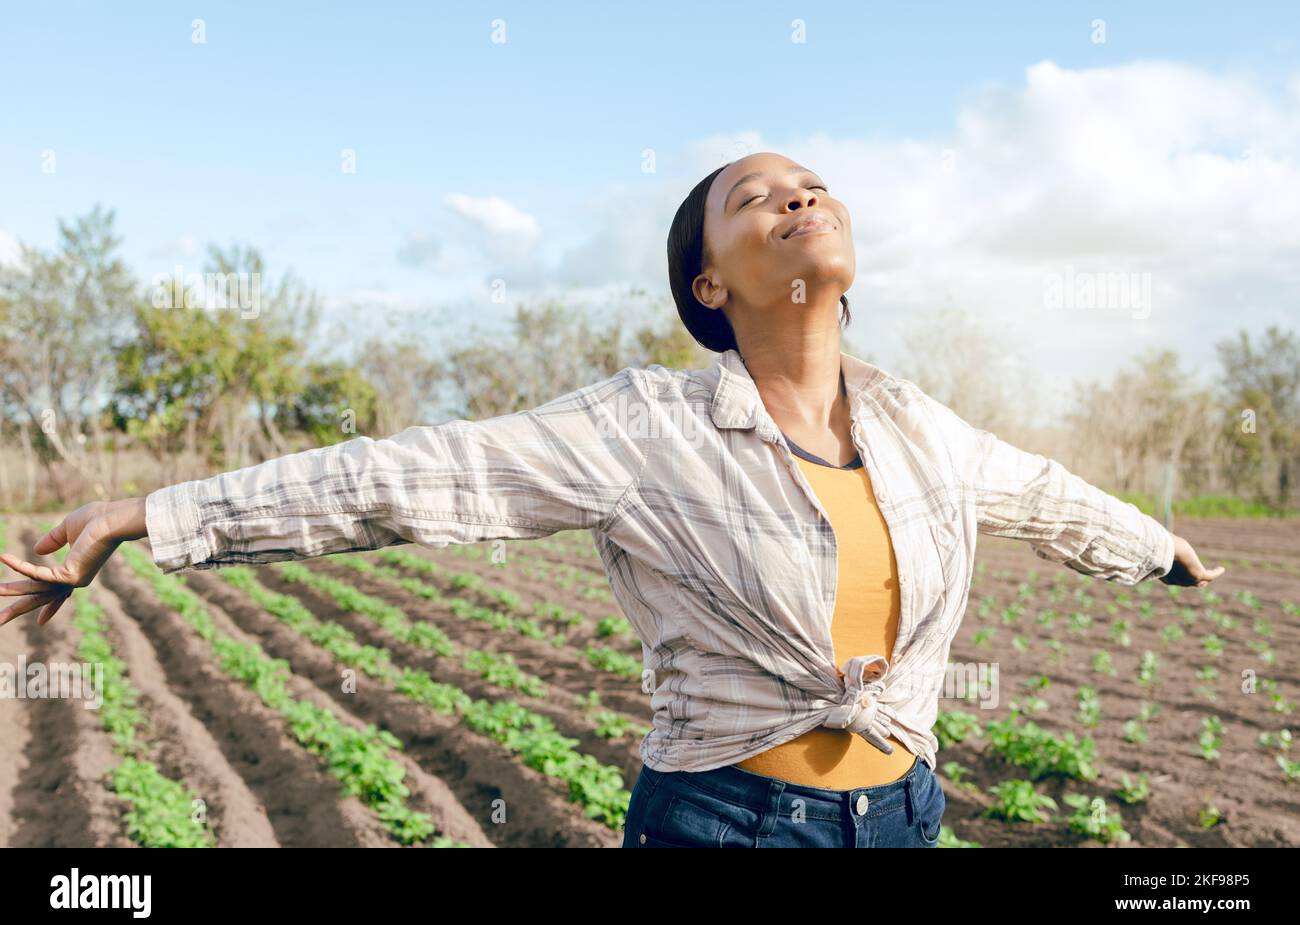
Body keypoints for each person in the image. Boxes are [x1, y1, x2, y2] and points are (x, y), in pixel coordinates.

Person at [0, 151, 1225, 848]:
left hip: (904, 813)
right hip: (727, 823)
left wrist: (1158, 549)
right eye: (757, 199)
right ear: (708, 279)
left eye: (811, 186)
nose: (798, 199)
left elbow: (1045, 493)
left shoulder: (916, 423)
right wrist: (154, 515)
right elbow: (412, 477)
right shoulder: (646, 427)